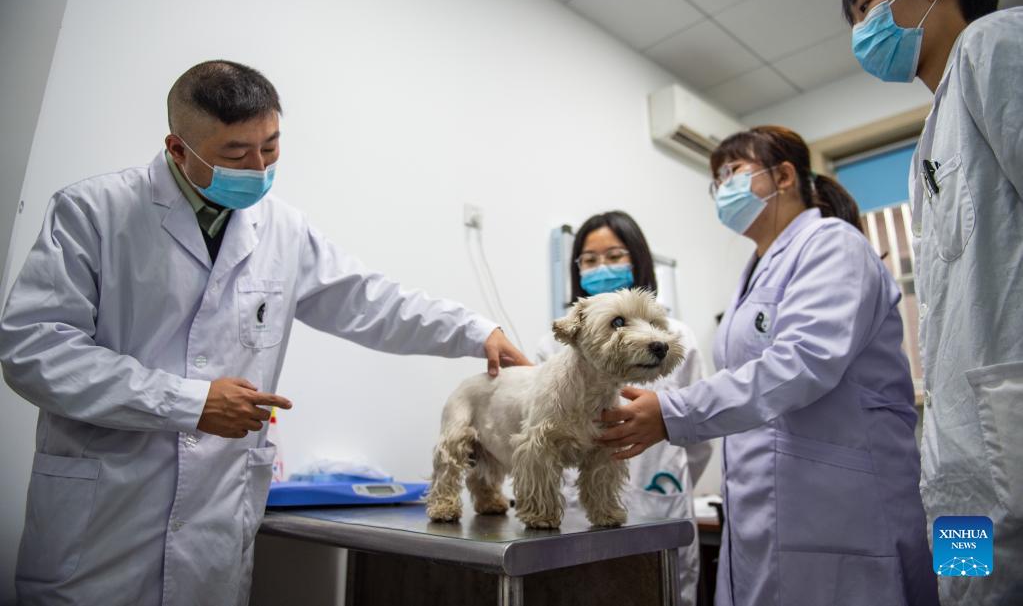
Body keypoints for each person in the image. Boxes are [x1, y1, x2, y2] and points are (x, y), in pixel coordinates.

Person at [0, 60, 529, 606]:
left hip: (213, 532)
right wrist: (190, 402)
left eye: (270, 147)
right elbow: (35, 349)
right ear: (178, 149)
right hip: (102, 534)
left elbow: (368, 300)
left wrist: (474, 330)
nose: (257, 167)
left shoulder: (282, 230)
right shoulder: (94, 213)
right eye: (236, 154)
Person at [594, 127, 938, 606]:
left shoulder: (833, 244)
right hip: (763, 506)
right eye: (717, 180)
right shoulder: (756, 273)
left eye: (733, 171)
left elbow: (803, 361)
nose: (723, 187)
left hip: (836, 500)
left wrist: (675, 413)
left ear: (784, 176)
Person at [842, 0, 1023, 601]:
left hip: (1005, 425)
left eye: (867, 7)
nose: (860, 31)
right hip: (963, 452)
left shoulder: (994, 43)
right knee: (968, 587)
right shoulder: (929, 143)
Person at [536, 210, 711, 606]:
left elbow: (698, 435)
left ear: (638, 260)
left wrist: (666, 478)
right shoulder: (553, 347)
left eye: (614, 256)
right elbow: (542, 431)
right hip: (577, 510)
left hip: (657, 498)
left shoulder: (675, 337)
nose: (602, 268)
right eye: (590, 260)